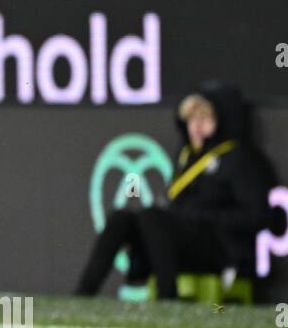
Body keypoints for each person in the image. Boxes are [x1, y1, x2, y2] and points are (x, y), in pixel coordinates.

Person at [77, 83, 276, 301]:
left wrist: (204, 218)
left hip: (220, 248)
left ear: (220, 120)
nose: (196, 127)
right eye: (192, 120)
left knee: (153, 218)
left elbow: (258, 216)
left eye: (204, 119)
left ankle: (167, 298)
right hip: (179, 243)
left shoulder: (239, 160)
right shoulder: (187, 156)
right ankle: (82, 297)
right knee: (121, 218)